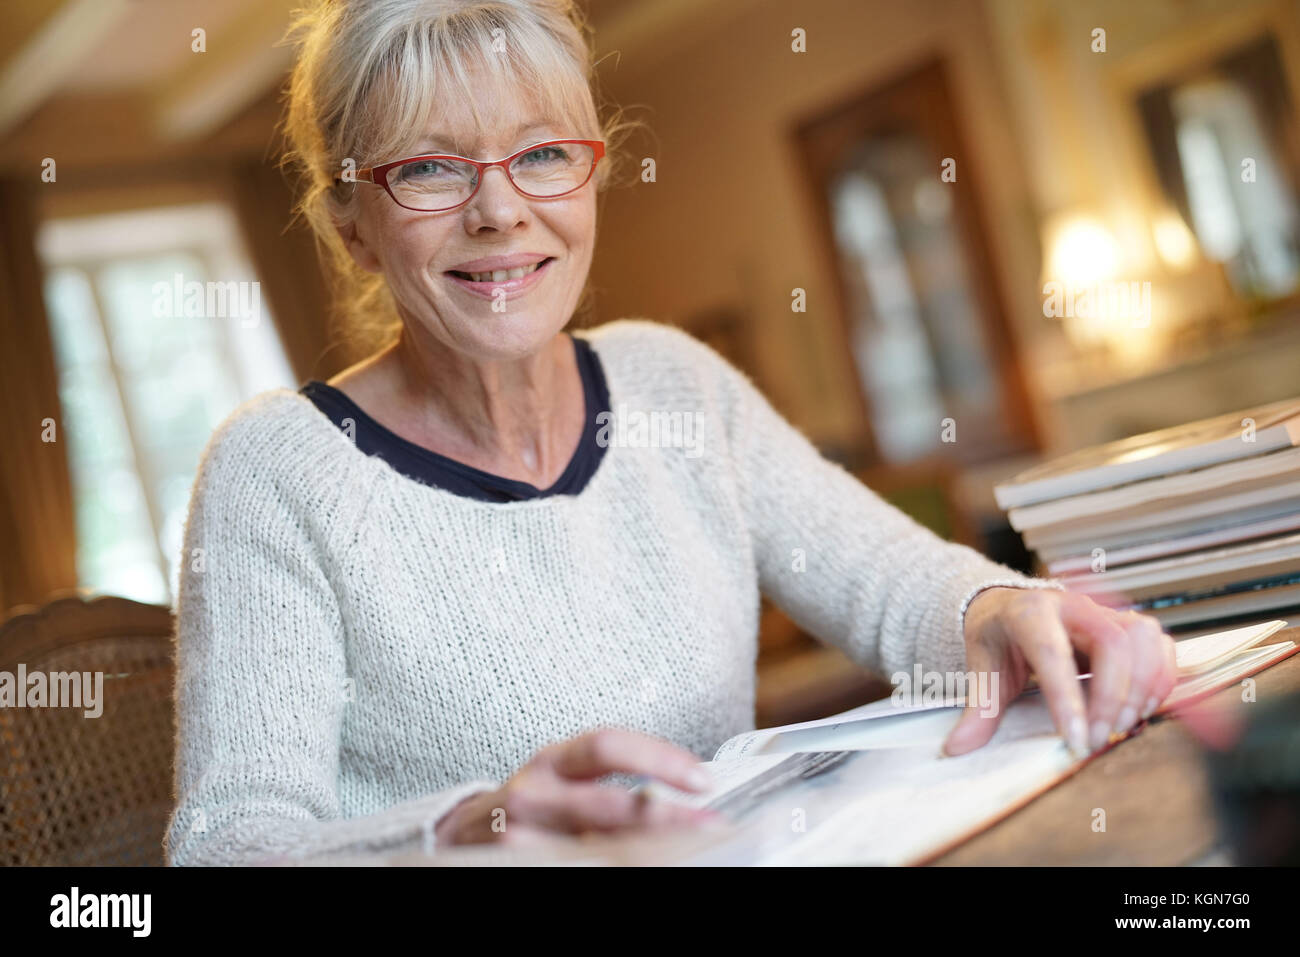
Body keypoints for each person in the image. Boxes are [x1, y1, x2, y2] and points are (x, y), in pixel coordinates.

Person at [164, 0, 1176, 865]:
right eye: (431, 169)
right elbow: (225, 848)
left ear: (593, 173)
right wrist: (472, 829)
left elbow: (899, 585)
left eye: (545, 153)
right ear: (350, 219)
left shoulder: (670, 380)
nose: (501, 211)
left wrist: (998, 607)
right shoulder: (275, 472)